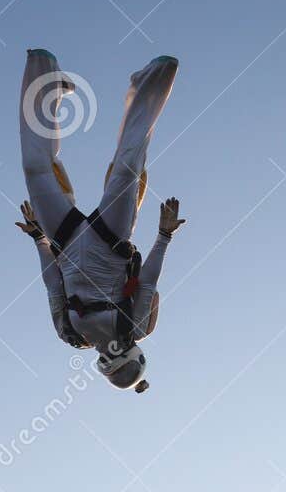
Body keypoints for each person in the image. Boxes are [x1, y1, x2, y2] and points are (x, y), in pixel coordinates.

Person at [15, 48, 186, 392]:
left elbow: (52, 285)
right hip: (111, 242)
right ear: (132, 355)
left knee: (35, 170)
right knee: (127, 167)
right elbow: (148, 281)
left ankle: (47, 82)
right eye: (118, 365)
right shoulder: (134, 327)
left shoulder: (71, 333)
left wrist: (39, 238)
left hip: (65, 243)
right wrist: (164, 236)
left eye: (109, 368)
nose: (111, 360)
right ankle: (148, 84)